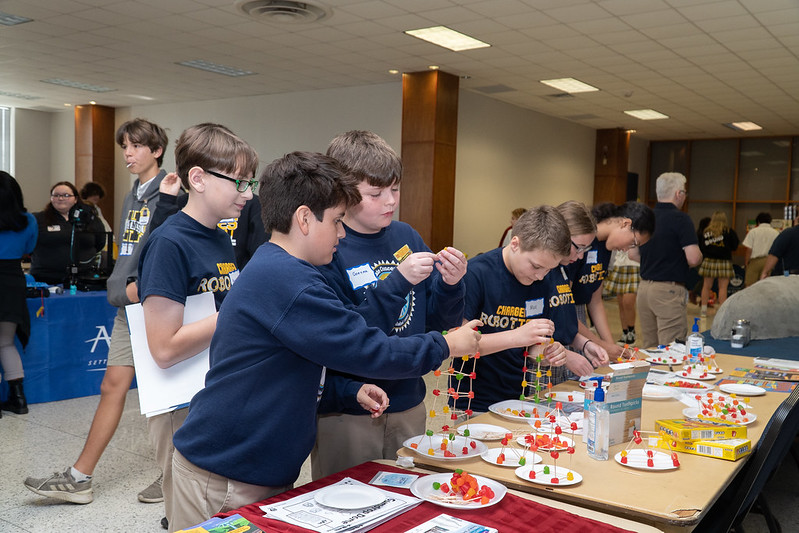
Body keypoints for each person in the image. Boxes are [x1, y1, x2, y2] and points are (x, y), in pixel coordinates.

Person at [168, 151, 482, 532]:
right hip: (225, 476)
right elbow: (369, 349)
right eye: (336, 221)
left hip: (255, 467)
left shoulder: (288, 269)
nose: (342, 233)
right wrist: (447, 345)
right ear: (304, 219)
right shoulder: (289, 281)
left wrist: (347, 392)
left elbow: (293, 370)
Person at [24, 118, 170, 506]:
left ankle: (176, 474)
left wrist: (142, 287)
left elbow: (172, 252)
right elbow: (128, 251)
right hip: (127, 306)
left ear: (157, 151)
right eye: (125, 147)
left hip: (154, 306)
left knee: (165, 398)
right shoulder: (133, 195)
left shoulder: (169, 193)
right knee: (111, 386)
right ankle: (79, 477)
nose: (128, 154)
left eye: (136, 146)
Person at [311, 130, 467, 480]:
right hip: (349, 409)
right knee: (347, 495)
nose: (390, 201)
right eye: (375, 193)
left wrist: (451, 285)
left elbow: (437, 322)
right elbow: (350, 338)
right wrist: (398, 281)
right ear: (344, 191)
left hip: (408, 398)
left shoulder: (406, 236)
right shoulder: (329, 247)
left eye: (395, 189)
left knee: (408, 492)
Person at [137, 123, 259, 528]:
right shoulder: (170, 243)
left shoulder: (219, 236)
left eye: (250, 182)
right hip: (181, 404)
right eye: (239, 182)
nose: (248, 194)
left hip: (214, 389)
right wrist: (237, 312)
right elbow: (164, 348)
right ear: (199, 178)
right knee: (190, 515)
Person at [455, 205, 576, 414]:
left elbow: (533, 347)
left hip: (517, 397)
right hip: (473, 401)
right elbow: (459, 343)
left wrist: (547, 353)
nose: (540, 276)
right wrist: (517, 336)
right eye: (536, 266)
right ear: (515, 244)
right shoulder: (477, 273)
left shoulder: (543, 280)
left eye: (549, 269)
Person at [568, 202, 655, 358]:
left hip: (578, 319)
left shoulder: (605, 247)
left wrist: (611, 347)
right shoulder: (579, 244)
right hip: (563, 317)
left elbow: (595, 301)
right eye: (633, 243)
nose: (627, 250)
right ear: (625, 223)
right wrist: (603, 345)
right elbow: (564, 306)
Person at [633, 172, 702, 349]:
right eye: (684, 193)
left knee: (650, 347)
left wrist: (654, 260)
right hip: (668, 290)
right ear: (678, 194)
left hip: (644, 289)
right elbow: (693, 258)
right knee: (672, 348)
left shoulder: (644, 218)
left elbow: (632, 254)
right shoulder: (681, 219)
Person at [148, 180, 267, 270]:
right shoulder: (167, 238)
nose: (248, 194)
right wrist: (167, 200)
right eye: (239, 182)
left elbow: (260, 259)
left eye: (247, 183)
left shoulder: (224, 238)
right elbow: (157, 248)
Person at [546, 201, 608, 374]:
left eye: (585, 250)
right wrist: (566, 355)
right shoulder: (539, 272)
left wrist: (585, 344)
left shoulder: (564, 268)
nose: (580, 256)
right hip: (541, 363)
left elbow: (564, 324)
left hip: (558, 357)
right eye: (579, 248)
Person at [0, 172, 37, 416]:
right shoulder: (28, 220)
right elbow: (29, 248)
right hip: (13, 280)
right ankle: (19, 399)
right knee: (5, 342)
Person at [29, 181, 105, 285]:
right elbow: (28, 244)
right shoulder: (38, 219)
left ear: (75, 199)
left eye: (66, 195)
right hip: (46, 279)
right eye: (56, 195)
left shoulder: (90, 219)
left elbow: (100, 242)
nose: (60, 198)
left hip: (84, 279)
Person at [698, 211, 739, 316]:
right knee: (723, 288)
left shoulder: (706, 231)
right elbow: (735, 246)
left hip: (709, 261)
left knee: (706, 286)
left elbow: (701, 246)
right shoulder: (729, 231)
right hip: (724, 261)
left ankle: (703, 310)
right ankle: (721, 312)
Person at [603, 249, 641, 345]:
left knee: (628, 303)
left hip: (635, 265)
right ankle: (625, 332)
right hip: (619, 264)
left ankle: (631, 331)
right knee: (621, 304)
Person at [742, 212, 779, 287]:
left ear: (758, 221)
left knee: (750, 286)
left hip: (755, 261)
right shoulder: (776, 232)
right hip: (769, 261)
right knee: (765, 285)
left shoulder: (753, 231)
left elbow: (749, 249)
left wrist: (746, 262)